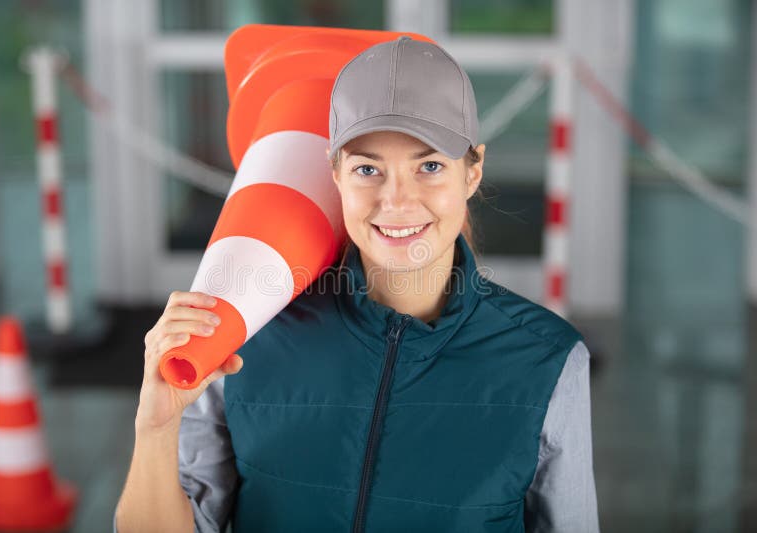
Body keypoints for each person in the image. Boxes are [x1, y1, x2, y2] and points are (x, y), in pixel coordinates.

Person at [115, 36, 599, 533]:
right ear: (335, 173)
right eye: (368, 168)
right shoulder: (248, 335)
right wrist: (156, 428)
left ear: (472, 171)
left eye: (429, 166)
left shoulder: (547, 360)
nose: (397, 201)